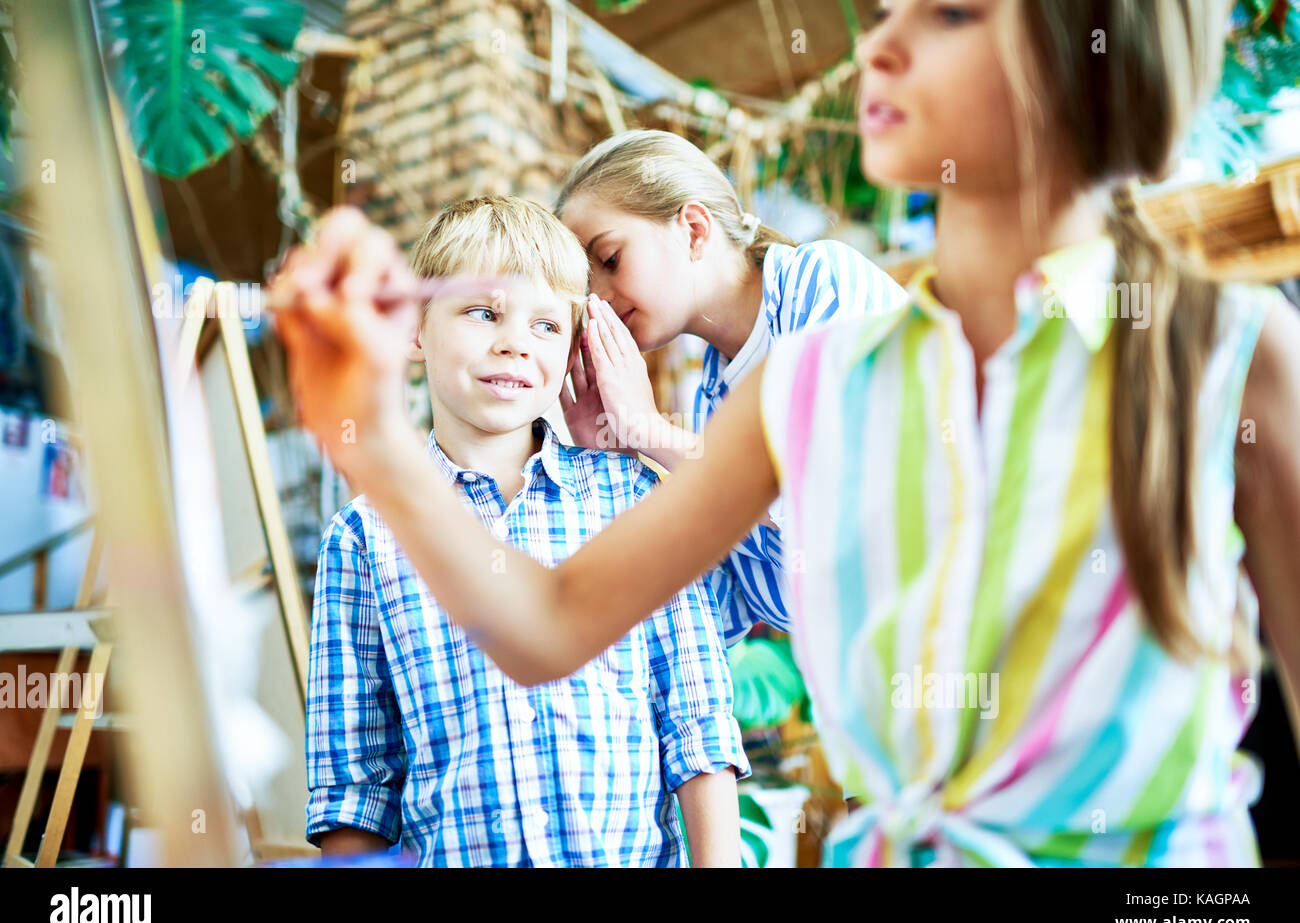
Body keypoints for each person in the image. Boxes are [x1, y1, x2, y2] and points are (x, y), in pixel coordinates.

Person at [273, 0, 1300, 866]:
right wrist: (366, 432)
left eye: (948, 12)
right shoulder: (804, 384)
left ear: (1096, 51)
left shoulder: (1229, 355)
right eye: (888, 8)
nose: (878, 43)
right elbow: (545, 628)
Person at [303, 196, 749, 867]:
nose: (514, 341)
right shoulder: (363, 539)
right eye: (483, 311)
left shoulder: (633, 496)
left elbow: (697, 724)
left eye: (546, 324)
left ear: (575, 347)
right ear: (415, 331)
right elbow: (355, 788)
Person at [556, 129, 907, 641]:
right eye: (587, 288)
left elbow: (831, 498)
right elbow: (711, 616)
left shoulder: (824, 284)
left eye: (610, 260)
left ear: (694, 229)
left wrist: (649, 429)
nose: (599, 301)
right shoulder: (708, 411)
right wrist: (607, 461)